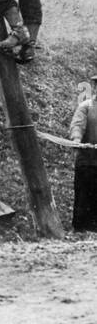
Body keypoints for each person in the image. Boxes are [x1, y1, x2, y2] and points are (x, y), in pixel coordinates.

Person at [69, 80, 97, 231]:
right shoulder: (86, 106)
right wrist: (77, 139)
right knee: (84, 194)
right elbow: (77, 125)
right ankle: (81, 229)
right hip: (87, 160)